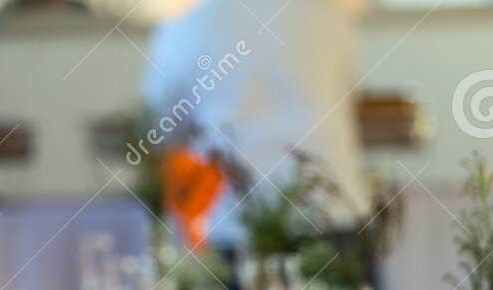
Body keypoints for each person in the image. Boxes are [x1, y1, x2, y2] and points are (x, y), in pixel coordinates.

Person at [141, 0, 370, 255]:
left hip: (235, 225)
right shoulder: (329, 17)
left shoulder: (183, 27)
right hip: (332, 213)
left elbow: (160, 130)